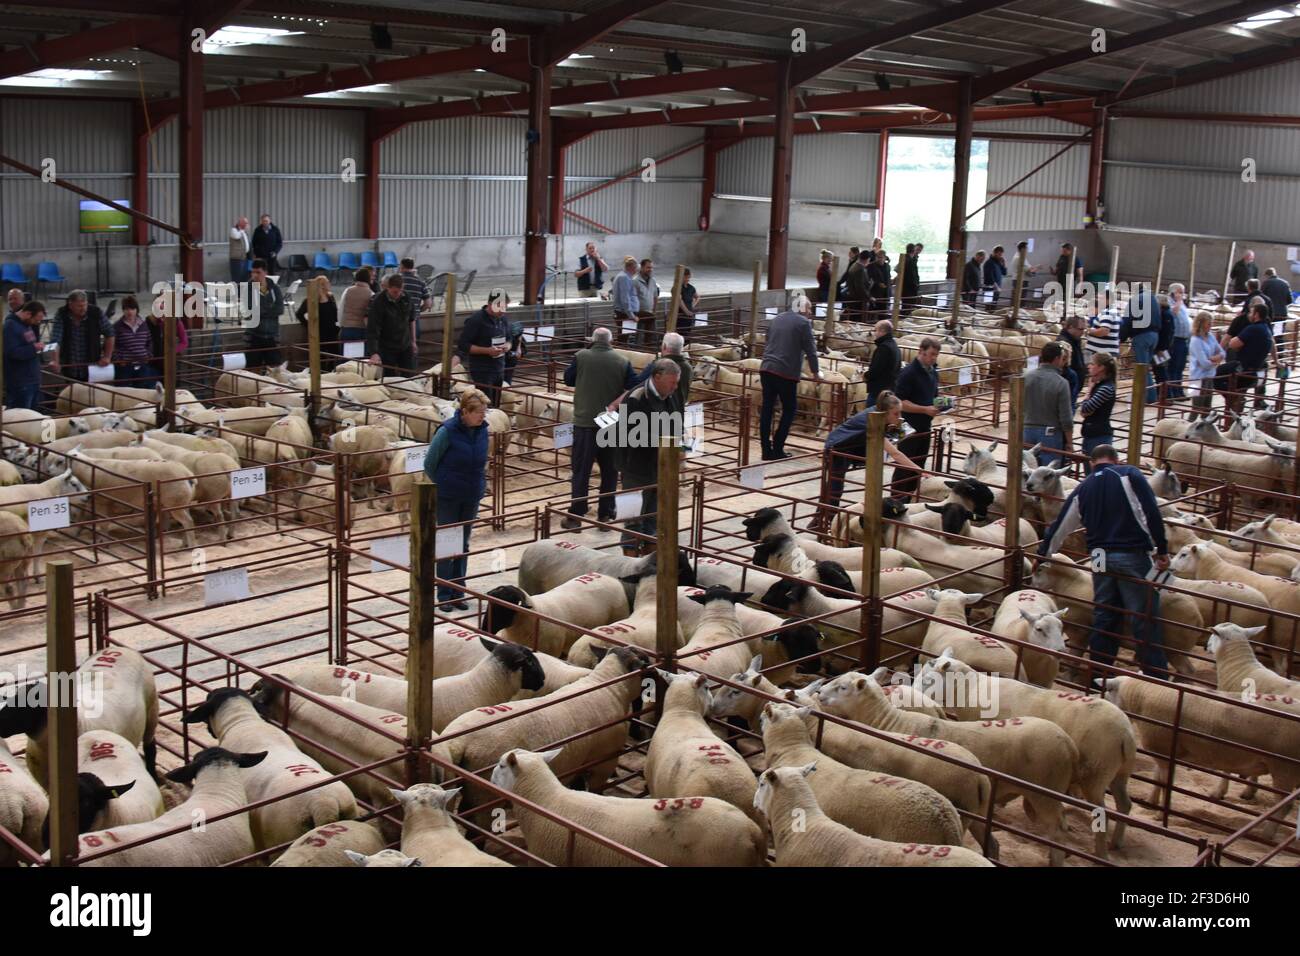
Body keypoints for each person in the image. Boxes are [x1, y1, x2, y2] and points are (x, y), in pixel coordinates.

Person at [1038, 443, 1170, 678]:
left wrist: (1043, 554)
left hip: (1098, 557)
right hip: (1131, 552)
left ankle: (1099, 673)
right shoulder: (1129, 474)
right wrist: (1162, 548)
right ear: (1116, 459)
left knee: (1104, 613)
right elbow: (1151, 510)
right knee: (1143, 615)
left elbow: (1061, 525)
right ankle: (1156, 676)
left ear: (1091, 463)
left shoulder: (1084, 487)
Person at [811, 391, 923, 532]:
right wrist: (920, 471)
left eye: (900, 413)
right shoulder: (873, 420)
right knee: (835, 488)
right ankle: (824, 523)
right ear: (886, 411)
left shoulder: (878, 415)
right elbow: (895, 454)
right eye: (896, 414)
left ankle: (818, 522)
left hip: (849, 447)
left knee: (833, 487)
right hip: (837, 447)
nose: (899, 417)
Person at [562, 327, 637, 530]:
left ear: (593, 341)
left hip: (585, 422)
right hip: (610, 422)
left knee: (581, 471)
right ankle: (605, 514)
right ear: (611, 341)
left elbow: (567, 379)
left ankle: (577, 515)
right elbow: (634, 386)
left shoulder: (581, 356)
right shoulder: (622, 361)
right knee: (610, 471)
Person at [424, 388, 491, 611]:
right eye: (479, 412)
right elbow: (430, 463)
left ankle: (458, 591)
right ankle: (443, 593)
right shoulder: (447, 432)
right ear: (465, 412)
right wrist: (444, 483)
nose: (483, 416)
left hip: (471, 494)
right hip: (448, 496)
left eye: (484, 411)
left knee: (462, 543)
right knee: (447, 542)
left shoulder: (483, 431)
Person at [615, 358, 683, 556]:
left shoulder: (672, 395)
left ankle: (651, 560)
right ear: (657, 377)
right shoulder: (636, 397)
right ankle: (630, 563)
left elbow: (677, 422)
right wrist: (663, 442)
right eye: (672, 382)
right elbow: (629, 435)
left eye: (676, 382)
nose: (675, 386)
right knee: (633, 517)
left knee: (654, 516)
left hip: (661, 467)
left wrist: (679, 445)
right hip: (635, 467)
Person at [759, 293, 820, 461]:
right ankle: (778, 447)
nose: (810, 313)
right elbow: (811, 351)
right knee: (790, 409)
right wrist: (815, 373)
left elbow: (768, 340)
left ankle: (765, 449)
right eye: (809, 309)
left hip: (766, 368)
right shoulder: (804, 323)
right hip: (785, 372)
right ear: (802, 308)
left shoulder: (778, 318)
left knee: (767, 409)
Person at [891, 337, 942, 500]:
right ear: (921, 351)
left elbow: (933, 397)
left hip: (924, 426)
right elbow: (899, 402)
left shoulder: (933, 373)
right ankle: (895, 500)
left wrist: (942, 405)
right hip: (907, 425)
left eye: (936, 355)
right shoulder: (908, 373)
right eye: (931, 354)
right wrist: (924, 409)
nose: (934, 358)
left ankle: (909, 499)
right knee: (904, 465)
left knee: (919, 464)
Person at [456, 287, 511, 406]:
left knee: (496, 403)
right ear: (490, 304)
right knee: (486, 403)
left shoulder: (503, 319)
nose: (503, 311)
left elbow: (509, 339)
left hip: (499, 367)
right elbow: (464, 345)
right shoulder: (476, 320)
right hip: (482, 369)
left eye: (505, 307)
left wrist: (507, 346)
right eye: (500, 307)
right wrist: (487, 351)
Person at [1024, 342, 1074, 467]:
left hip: (1026, 430)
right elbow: (1066, 417)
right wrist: (1069, 442)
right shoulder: (1061, 383)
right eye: (1062, 359)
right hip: (1050, 434)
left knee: (1026, 471)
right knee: (1048, 475)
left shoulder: (1025, 377)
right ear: (1056, 359)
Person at [1224, 302, 1277, 415]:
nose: (1250, 314)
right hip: (1256, 367)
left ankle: (1232, 418)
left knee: (1221, 379)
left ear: (1256, 314)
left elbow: (1232, 344)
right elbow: (1271, 343)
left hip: (1245, 367)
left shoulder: (1252, 328)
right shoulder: (1266, 328)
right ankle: (1237, 414)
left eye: (1252, 312)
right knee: (1240, 394)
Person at [49, 290, 114, 382]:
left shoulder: (96, 312)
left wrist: (107, 356)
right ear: (70, 305)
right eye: (79, 306)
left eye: (85, 305)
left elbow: (110, 333)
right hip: (69, 365)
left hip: (93, 365)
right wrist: (55, 360)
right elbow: (55, 340)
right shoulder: (61, 314)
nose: (83, 308)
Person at [625, 331, 692, 407]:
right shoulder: (688, 368)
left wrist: (626, 366)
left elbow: (635, 384)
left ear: (664, 346)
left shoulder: (658, 366)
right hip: (678, 409)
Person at [366, 274, 416, 376]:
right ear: (388, 288)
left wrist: (413, 341)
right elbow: (373, 328)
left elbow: (411, 320)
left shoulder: (406, 298)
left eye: (400, 291)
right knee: (389, 378)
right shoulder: (378, 302)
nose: (397, 294)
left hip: (405, 344)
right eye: (394, 292)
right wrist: (374, 352)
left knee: (409, 375)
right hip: (386, 346)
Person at [1118, 287, 1161, 405]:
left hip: (1142, 336)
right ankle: (1151, 395)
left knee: (1141, 369)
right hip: (1154, 336)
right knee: (1146, 369)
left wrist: (1121, 338)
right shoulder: (1154, 300)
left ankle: (1148, 397)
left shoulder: (1136, 300)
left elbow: (1127, 320)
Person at [3, 299, 46, 410]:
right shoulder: (10, 327)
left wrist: (36, 347)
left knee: (31, 416)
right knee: (21, 418)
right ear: (28, 314)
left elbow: (28, 344)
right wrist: (34, 348)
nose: (37, 323)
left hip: (31, 379)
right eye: (36, 320)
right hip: (20, 382)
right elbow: (12, 352)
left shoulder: (26, 324)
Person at [1078, 352, 1117, 468]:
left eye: (1092, 364)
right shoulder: (1101, 386)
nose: (1089, 366)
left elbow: (1085, 408)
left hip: (1098, 437)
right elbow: (1084, 412)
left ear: (1101, 368)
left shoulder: (1105, 388)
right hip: (1092, 435)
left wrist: (1089, 391)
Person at [112, 295, 160, 388]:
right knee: (125, 391)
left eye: (132, 308)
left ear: (136, 310)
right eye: (126, 309)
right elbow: (112, 344)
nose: (129, 312)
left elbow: (149, 341)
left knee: (142, 389)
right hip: (125, 366)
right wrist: (118, 359)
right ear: (123, 310)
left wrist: (148, 355)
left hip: (142, 364)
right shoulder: (117, 326)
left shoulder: (143, 325)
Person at [246, 259, 285, 369]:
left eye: (258, 272)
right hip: (254, 335)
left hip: (272, 335)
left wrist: (262, 310)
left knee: (275, 367)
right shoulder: (248, 289)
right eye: (253, 272)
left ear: (265, 272)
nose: (255, 275)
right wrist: (270, 309)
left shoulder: (275, 288)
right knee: (253, 368)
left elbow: (280, 309)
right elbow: (250, 310)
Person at [295, 276, 339, 367]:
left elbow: (334, 313)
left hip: (332, 331)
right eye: (327, 282)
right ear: (321, 286)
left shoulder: (331, 297)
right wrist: (309, 325)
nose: (329, 284)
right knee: (320, 358)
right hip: (319, 333)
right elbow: (299, 314)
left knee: (334, 356)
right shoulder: (311, 299)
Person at [1188, 309, 1225, 414]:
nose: (1211, 325)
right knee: (1195, 409)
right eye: (1209, 323)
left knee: (1207, 409)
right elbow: (1204, 363)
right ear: (1201, 324)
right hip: (1196, 379)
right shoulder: (1195, 341)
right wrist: (1216, 361)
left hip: (1209, 377)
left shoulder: (1211, 337)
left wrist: (1213, 359)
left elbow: (1222, 352)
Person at [1164, 283, 1192, 400]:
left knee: (1180, 366)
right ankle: (1172, 393)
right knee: (1173, 366)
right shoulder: (1169, 303)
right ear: (1173, 292)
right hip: (1175, 339)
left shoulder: (1181, 304)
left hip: (1183, 339)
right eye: (1180, 292)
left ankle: (1178, 391)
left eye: (1182, 292)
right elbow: (1173, 312)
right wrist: (1179, 300)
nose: (1182, 295)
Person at [1057, 314, 1088, 408]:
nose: (1083, 332)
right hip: (1067, 387)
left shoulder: (1075, 340)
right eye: (1080, 329)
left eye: (1084, 329)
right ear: (1070, 327)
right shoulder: (1063, 343)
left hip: (1073, 386)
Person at [866, 319, 900, 405]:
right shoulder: (894, 346)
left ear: (882, 331)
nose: (874, 333)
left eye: (875, 330)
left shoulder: (883, 348)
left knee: (873, 416)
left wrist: (866, 375)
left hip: (878, 392)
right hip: (890, 389)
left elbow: (876, 370)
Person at [339, 267, 374, 347]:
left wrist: (342, 325)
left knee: (346, 357)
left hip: (347, 328)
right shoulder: (371, 294)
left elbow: (341, 309)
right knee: (360, 358)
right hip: (362, 330)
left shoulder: (347, 291)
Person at [1085, 288, 1122, 361]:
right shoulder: (1109, 311)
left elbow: (1104, 331)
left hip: (1102, 355)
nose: (1099, 301)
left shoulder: (1108, 312)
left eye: (1101, 298)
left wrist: (1088, 331)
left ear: (1108, 300)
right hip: (1101, 353)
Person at [611, 255, 639, 338]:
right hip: (624, 312)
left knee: (624, 336)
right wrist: (631, 315)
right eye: (635, 268)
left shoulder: (623, 276)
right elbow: (625, 298)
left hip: (624, 311)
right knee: (624, 337)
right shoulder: (624, 278)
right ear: (630, 267)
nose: (636, 270)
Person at [633, 258, 660, 346]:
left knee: (650, 334)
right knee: (639, 335)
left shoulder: (653, 281)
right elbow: (632, 298)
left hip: (650, 312)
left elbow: (655, 296)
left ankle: (648, 350)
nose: (650, 270)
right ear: (641, 267)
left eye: (651, 268)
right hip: (639, 313)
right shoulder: (635, 281)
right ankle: (638, 351)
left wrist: (654, 310)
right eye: (648, 267)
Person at [843, 249, 871, 321]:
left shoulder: (854, 265)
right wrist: (869, 297)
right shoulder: (860, 269)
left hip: (853, 297)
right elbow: (860, 287)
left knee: (852, 319)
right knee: (857, 320)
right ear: (867, 259)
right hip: (858, 300)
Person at [867, 248, 892, 318]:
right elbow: (868, 279)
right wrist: (877, 283)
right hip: (874, 293)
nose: (879, 259)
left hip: (885, 294)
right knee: (871, 314)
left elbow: (888, 278)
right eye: (877, 257)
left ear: (884, 257)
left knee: (883, 314)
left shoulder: (888, 266)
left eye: (881, 257)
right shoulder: (871, 266)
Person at [229, 217, 250, 283]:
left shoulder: (243, 232)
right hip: (237, 258)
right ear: (240, 223)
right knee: (237, 277)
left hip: (244, 257)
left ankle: (242, 291)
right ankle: (236, 291)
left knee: (244, 276)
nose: (247, 224)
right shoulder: (234, 230)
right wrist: (242, 230)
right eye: (246, 223)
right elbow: (236, 236)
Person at [900, 243, 920, 315]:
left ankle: (905, 319)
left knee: (906, 306)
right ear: (913, 250)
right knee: (908, 306)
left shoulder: (909, 259)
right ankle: (906, 320)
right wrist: (916, 285)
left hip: (907, 288)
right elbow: (912, 275)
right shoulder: (908, 260)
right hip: (909, 288)